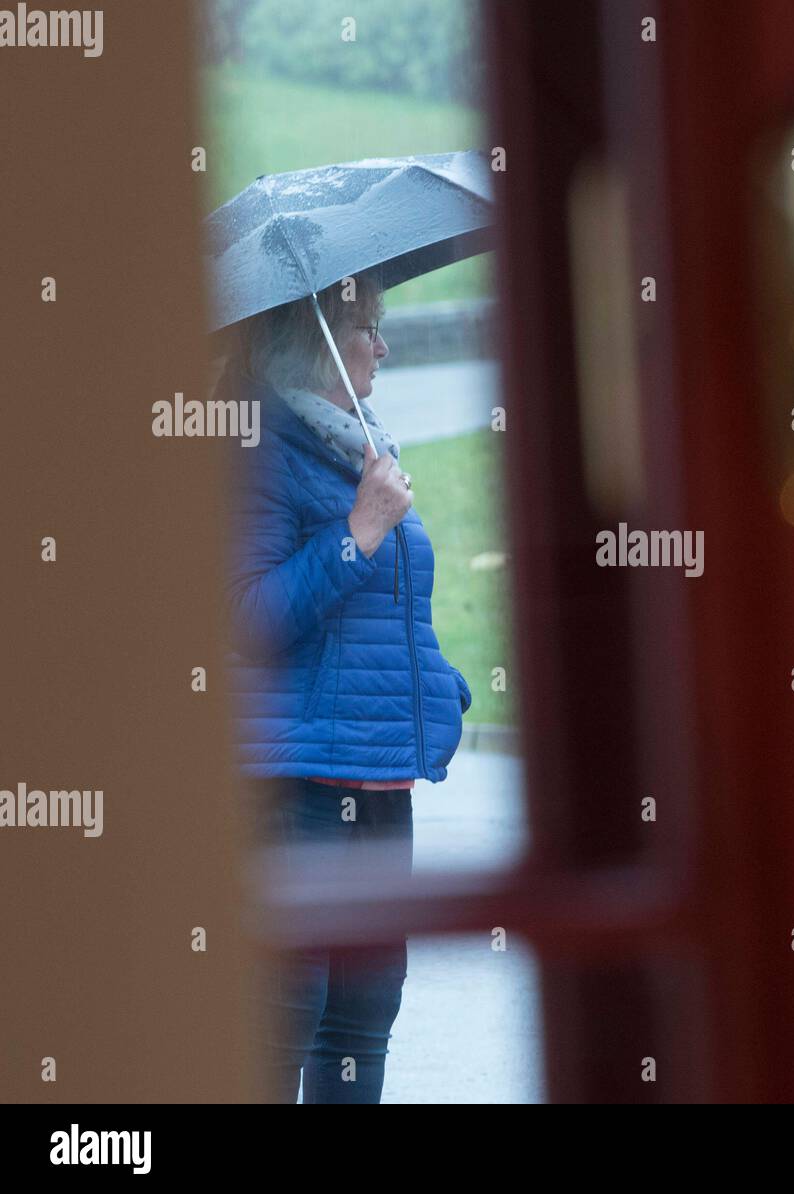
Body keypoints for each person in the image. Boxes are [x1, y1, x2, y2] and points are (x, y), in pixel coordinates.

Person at [219, 267, 472, 1103]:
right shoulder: (259, 450)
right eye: (369, 327)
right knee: (286, 1014)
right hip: (297, 785)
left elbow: (379, 617)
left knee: (365, 1017)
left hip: (380, 776)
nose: (384, 345)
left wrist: (440, 685)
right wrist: (358, 532)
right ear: (316, 343)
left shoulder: (358, 445)